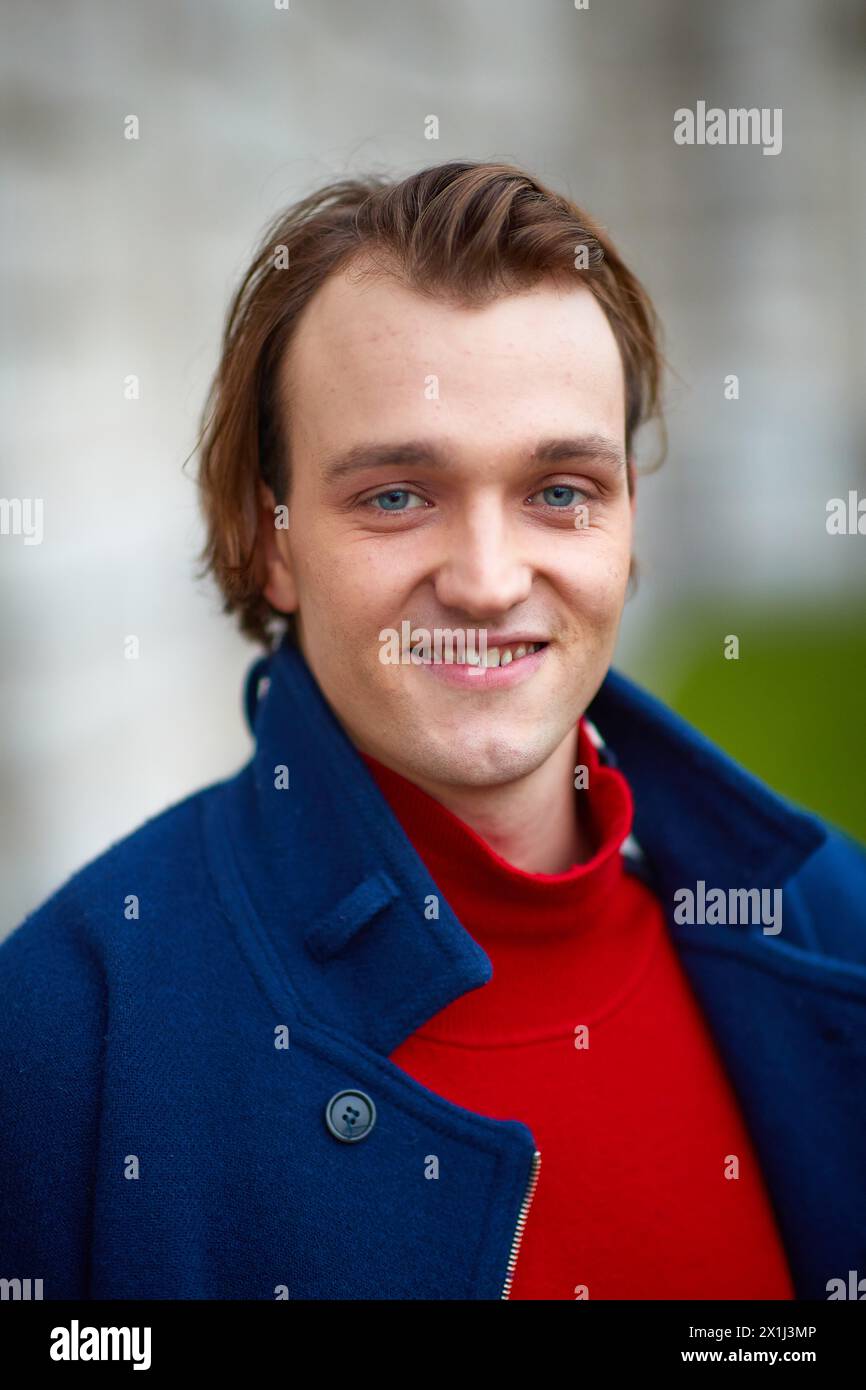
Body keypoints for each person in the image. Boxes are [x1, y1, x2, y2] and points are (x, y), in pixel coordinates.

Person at [2, 161, 864, 1301]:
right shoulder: (67, 1030)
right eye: (397, 495)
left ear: (623, 523)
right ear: (268, 538)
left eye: (559, 489)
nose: (487, 579)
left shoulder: (829, 926)